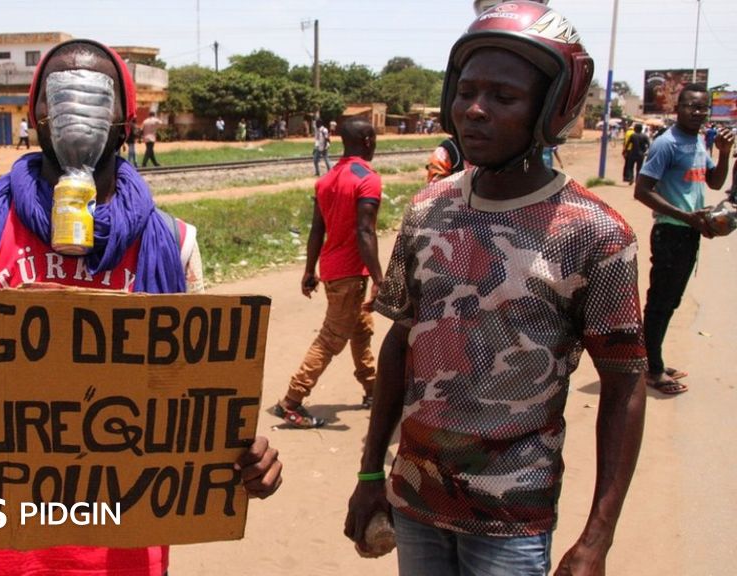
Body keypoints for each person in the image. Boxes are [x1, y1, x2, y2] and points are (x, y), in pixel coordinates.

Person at [0, 39, 283, 576]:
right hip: (4, 548)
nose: (75, 114)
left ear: (125, 120)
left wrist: (241, 460)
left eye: (96, 97)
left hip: (124, 550)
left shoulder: (174, 244)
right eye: (57, 95)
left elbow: (196, 400)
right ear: (35, 113)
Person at [344, 4, 648, 575]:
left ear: (550, 110)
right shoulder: (427, 210)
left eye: (503, 97)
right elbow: (399, 344)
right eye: (466, 92)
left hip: (512, 518)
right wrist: (368, 473)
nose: (474, 110)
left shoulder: (596, 234)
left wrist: (598, 537)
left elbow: (625, 384)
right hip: (415, 500)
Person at [273, 118, 383, 428]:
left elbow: (316, 230)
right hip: (350, 273)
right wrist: (380, 278)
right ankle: (291, 402)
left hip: (333, 269)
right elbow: (365, 231)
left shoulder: (327, 179)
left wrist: (309, 270)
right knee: (331, 338)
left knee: (360, 329)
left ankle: (373, 389)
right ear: (368, 141)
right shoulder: (367, 179)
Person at [635, 83, 734, 395]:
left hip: (688, 232)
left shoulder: (697, 142)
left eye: (703, 107)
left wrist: (724, 153)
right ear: (677, 109)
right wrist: (686, 216)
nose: (698, 112)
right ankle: (652, 370)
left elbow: (714, 182)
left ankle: (652, 360)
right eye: (691, 106)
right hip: (670, 232)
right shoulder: (667, 144)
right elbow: (642, 191)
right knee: (660, 302)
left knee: (671, 301)